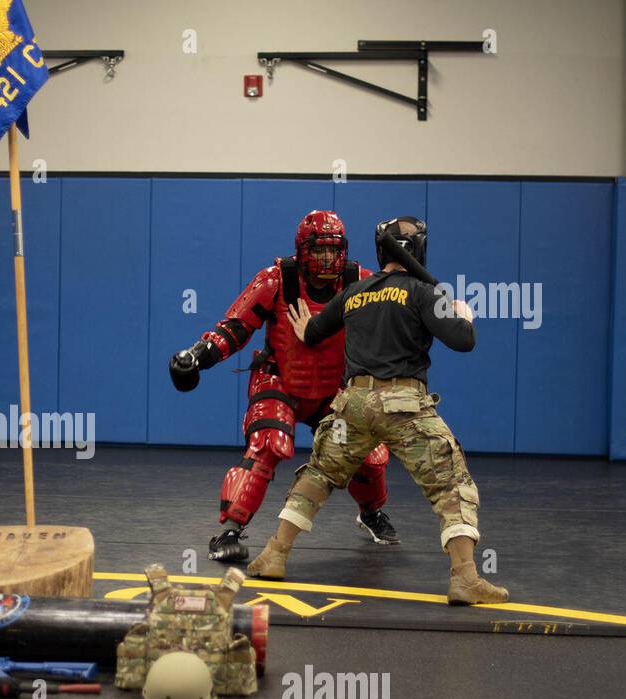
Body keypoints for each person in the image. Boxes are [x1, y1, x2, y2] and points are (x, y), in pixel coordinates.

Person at [247, 216, 509, 606]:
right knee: (451, 485)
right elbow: (463, 341)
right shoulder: (422, 293)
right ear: (419, 250)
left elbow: (314, 332)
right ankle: (466, 578)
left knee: (319, 474)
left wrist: (304, 330)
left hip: (351, 405)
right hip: (404, 405)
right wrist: (462, 314)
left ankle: (273, 555)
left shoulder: (354, 293)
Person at [169, 210, 395, 564]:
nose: (325, 258)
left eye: (332, 250)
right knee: (267, 446)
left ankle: (371, 513)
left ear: (343, 251)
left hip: (331, 389)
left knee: (369, 454)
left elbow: (394, 317)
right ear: (302, 251)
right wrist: (199, 355)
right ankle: (228, 531)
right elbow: (234, 328)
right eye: (318, 250)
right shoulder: (275, 280)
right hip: (280, 381)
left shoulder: (361, 283)